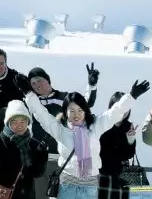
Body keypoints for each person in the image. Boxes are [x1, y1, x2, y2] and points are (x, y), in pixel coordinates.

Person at [18, 73, 150, 199]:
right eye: (72, 111)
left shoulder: (95, 127)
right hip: (67, 186)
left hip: (89, 187)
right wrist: (29, 94)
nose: (77, 115)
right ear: (65, 112)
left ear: (85, 111)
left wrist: (132, 96)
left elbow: (114, 112)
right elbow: (42, 115)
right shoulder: (61, 130)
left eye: (80, 110)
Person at [27, 65, 99, 197]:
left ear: (48, 80)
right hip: (40, 160)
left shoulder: (64, 98)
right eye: (33, 83)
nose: (37, 85)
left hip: (64, 161)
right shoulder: (31, 103)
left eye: (40, 80)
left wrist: (91, 86)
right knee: (40, 196)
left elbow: (86, 103)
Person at [0, 100, 49, 199]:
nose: (20, 125)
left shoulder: (33, 144)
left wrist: (42, 155)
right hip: (2, 194)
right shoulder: (0, 141)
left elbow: (37, 173)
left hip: (26, 194)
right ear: (8, 123)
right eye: (15, 122)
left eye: (23, 121)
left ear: (28, 122)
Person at [98, 92, 137, 199]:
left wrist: (131, 140)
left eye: (126, 108)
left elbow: (129, 154)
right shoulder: (103, 122)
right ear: (112, 107)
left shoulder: (129, 126)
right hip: (103, 172)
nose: (123, 112)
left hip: (122, 174)